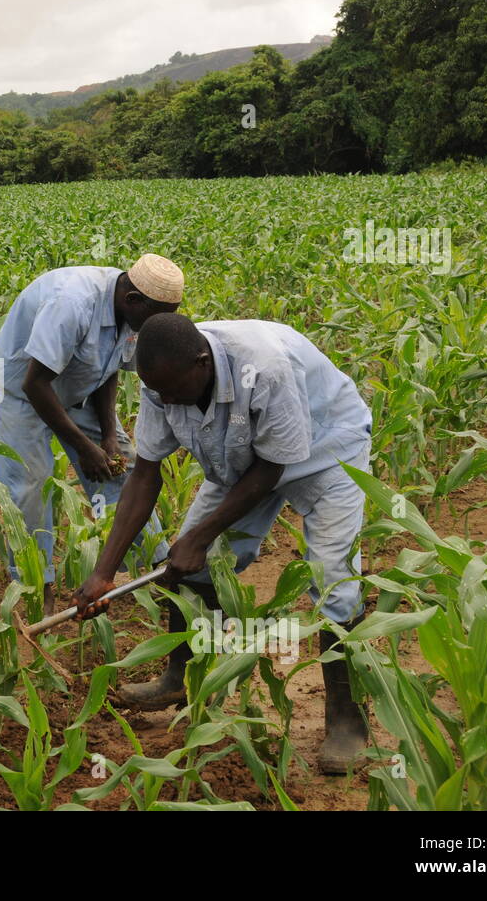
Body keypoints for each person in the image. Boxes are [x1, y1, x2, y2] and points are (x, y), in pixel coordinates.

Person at [73, 313, 373, 775]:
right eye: (159, 394)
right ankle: (181, 676)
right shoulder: (161, 380)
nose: (166, 400)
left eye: (174, 392)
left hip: (325, 450)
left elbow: (272, 469)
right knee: (191, 564)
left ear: (201, 364)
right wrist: (104, 571)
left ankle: (348, 720)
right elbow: (145, 473)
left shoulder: (264, 368)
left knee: (334, 578)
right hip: (240, 457)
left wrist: (201, 535)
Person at [0, 256, 183, 611]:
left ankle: (158, 568)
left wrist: (108, 435)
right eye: (158, 317)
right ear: (133, 300)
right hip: (20, 388)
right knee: (31, 484)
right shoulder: (73, 303)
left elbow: (107, 369)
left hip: (75, 382)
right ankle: (38, 588)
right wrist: (83, 448)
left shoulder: (135, 312)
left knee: (120, 465)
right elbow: (36, 384)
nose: (160, 327)